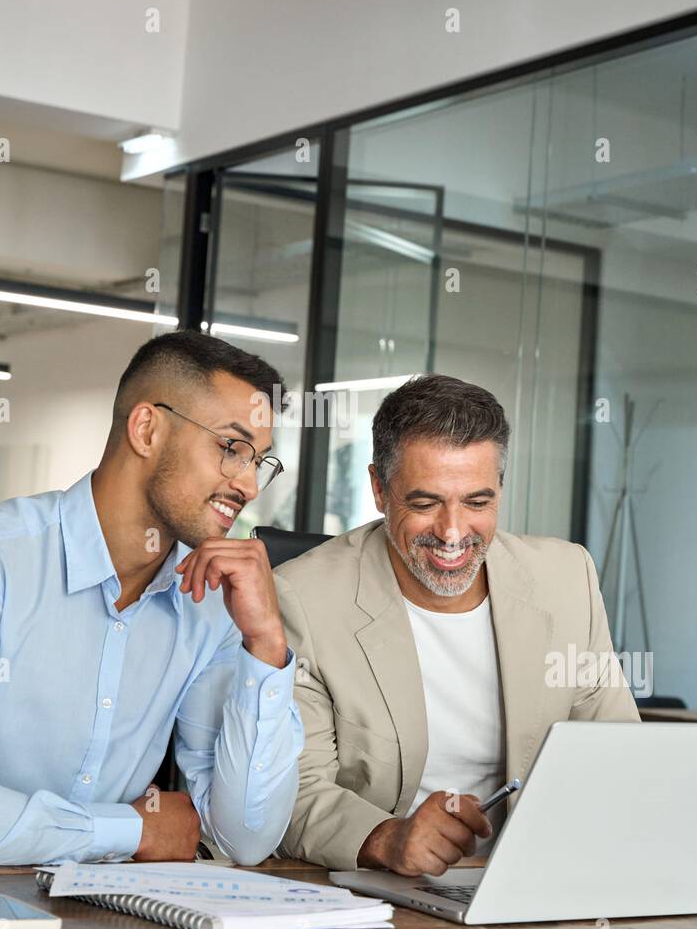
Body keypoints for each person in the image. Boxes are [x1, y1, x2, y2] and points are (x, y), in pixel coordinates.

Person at [0, 330, 303, 866]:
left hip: (102, 916)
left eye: (259, 460)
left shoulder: (209, 604)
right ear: (147, 429)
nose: (250, 486)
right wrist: (133, 831)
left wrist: (265, 644)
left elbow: (247, 839)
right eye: (232, 449)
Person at [274, 373, 640, 874]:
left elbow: (618, 754)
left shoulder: (566, 577)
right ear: (380, 489)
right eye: (425, 503)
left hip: (537, 881)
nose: (452, 533)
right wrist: (387, 838)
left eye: (477, 502)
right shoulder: (302, 597)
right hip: (377, 891)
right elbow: (290, 790)